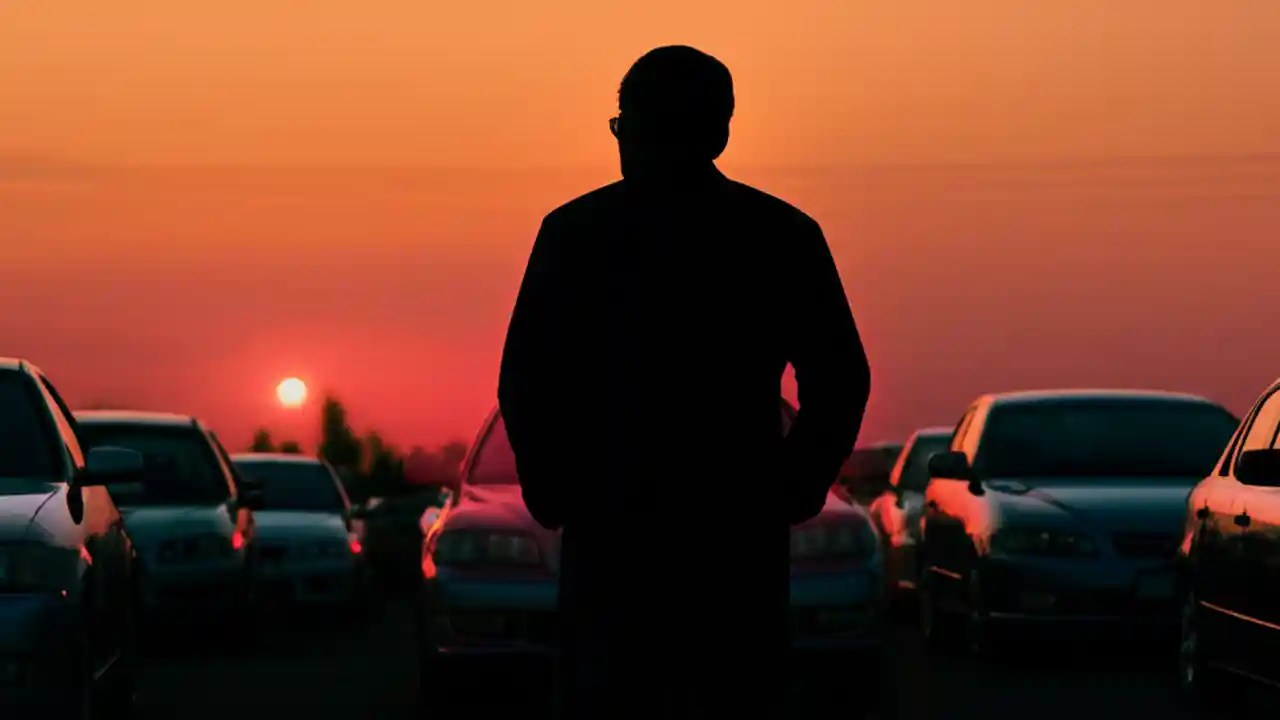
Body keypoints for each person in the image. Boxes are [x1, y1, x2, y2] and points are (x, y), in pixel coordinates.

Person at [498, 45, 871, 719]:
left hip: (616, 533)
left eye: (626, 125)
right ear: (721, 131)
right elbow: (840, 379)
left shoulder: (576, 235)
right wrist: (790, 487)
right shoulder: (779, 234)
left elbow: (528, 378)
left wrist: (556, 488)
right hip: (732, 537)